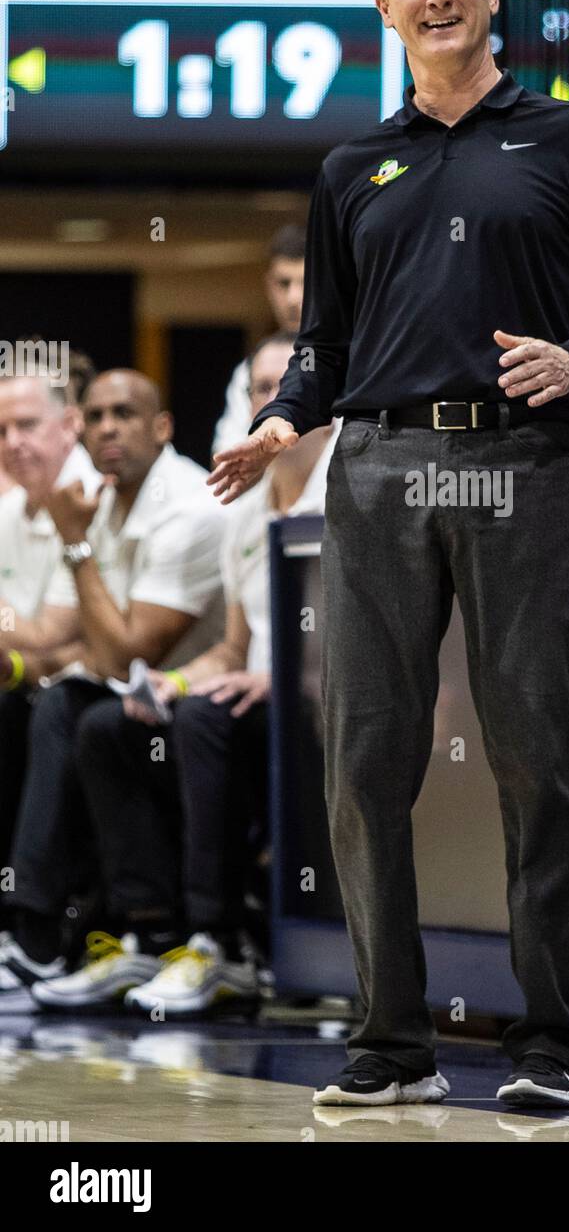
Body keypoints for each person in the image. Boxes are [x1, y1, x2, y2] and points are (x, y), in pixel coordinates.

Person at [208, 0, 569, 1108]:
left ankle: (550, 1046)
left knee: (534, 760)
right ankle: (391, 1047)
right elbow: (325, 347)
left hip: (521, 466)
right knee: (362, 763)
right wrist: (279, 422)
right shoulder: (355, 168)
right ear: (387, 9)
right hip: (374, 473)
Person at [28, 338, 337, 1015]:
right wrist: (174, 682)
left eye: (284, 382)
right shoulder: (246, 509)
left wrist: (282, 679)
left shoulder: (346, 496)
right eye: (258, 387)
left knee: (200, 721)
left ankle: (216, 940)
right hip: (243, 700)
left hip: (322, 703)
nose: (270, 397)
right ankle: (149, 931)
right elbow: (231, 650)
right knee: (110, 723)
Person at [0, 370, 226, 1012]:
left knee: (72, 713)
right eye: (96, 416)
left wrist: (74, 542)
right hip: (138, 695)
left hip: (200, 696)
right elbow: (84, 647)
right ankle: (119, 933)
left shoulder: (187, 506)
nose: (106, 429)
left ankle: (43, 935)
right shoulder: (99, 498)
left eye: (123, 414)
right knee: (63, 708)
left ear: (162, 428)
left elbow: (121, 652)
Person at [0, 373, 101, 893]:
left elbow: (52, 633)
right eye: (2, 430)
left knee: (52, 711)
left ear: (68, 425)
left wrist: (16, 632)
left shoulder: (91, 497)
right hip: (38, 683)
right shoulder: (11, 509)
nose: (12, 442)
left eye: (26, 425)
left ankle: (32, 918)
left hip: (116, 686)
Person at [211, 225, 306, 456]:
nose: (293, 298)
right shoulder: (248, 370)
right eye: (284, 284)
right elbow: (226, 457)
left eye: (307, 282)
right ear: (269, 286)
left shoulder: (360, 364)